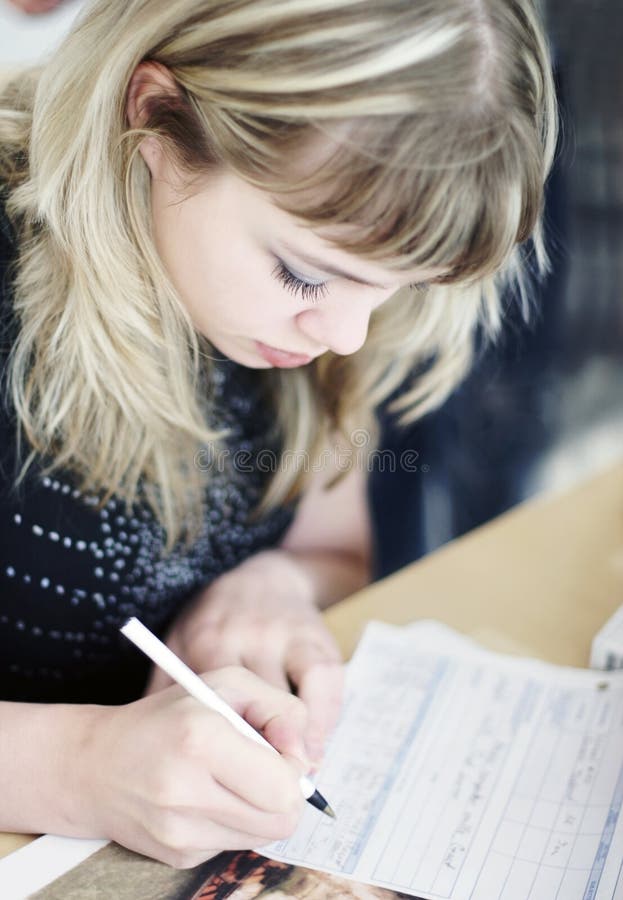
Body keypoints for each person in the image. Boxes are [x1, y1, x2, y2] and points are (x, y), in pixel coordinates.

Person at [0, 0, 556, 870]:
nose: (345, 338)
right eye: (302, 274)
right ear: (150, 116)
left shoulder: (305, 316)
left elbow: (336, 547)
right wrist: (73, 767)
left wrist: (275, 583)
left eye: (394, 290)